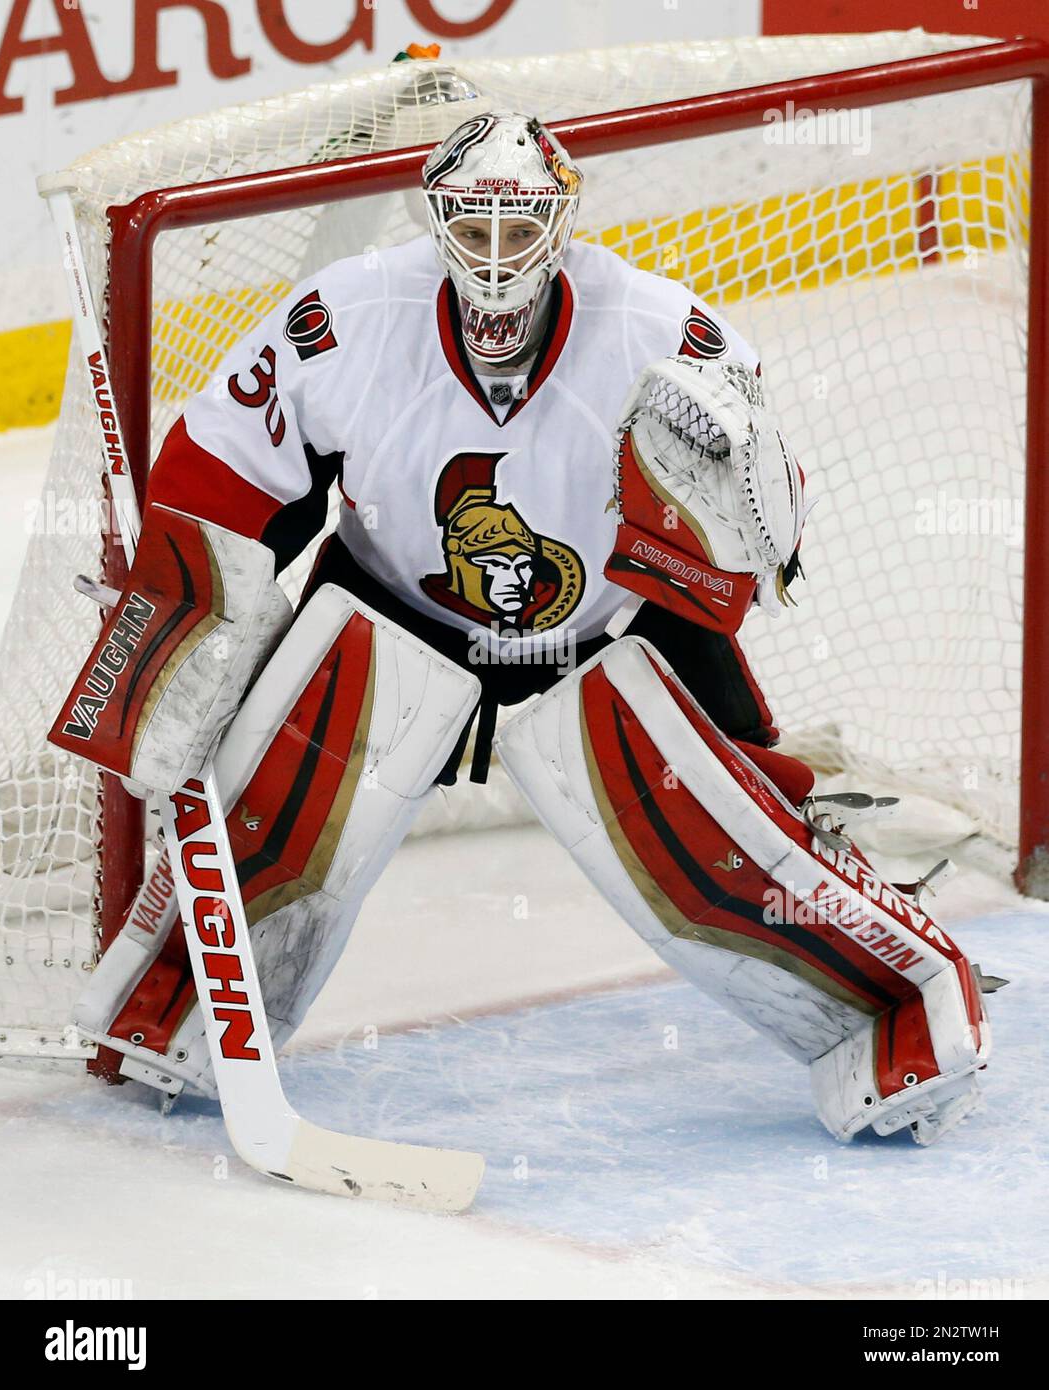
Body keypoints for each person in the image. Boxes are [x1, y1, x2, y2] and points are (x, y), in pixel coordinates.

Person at [50, 112, 991, 1146]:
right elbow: (217, 477)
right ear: (435, 217)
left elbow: (766, 542)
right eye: (473, 225)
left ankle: (902, 1009)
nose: (496, 256)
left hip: (592, 637)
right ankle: (172, 1010)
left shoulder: (658, 332)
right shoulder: (351, 316)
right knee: (283, 806)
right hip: (388, 616)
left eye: (520, 227)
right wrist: (174, 643)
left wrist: (736, 509)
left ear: (563, 222)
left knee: (707, 846)